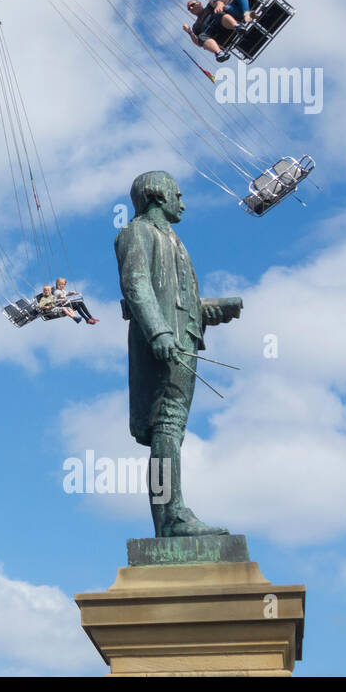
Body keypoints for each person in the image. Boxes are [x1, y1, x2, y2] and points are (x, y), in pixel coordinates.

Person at [114, 170, 241, 537]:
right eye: (178, 194)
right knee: (165, 428)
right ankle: (171, 518)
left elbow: (176, 295)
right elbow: (136, 284)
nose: (182, 202)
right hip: (164, 344)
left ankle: (174, 515)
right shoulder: (137, 232)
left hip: (182, 340)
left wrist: (211, 308)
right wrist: (158, 331)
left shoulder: (173, 239)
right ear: (157, 195)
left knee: (172, 431)